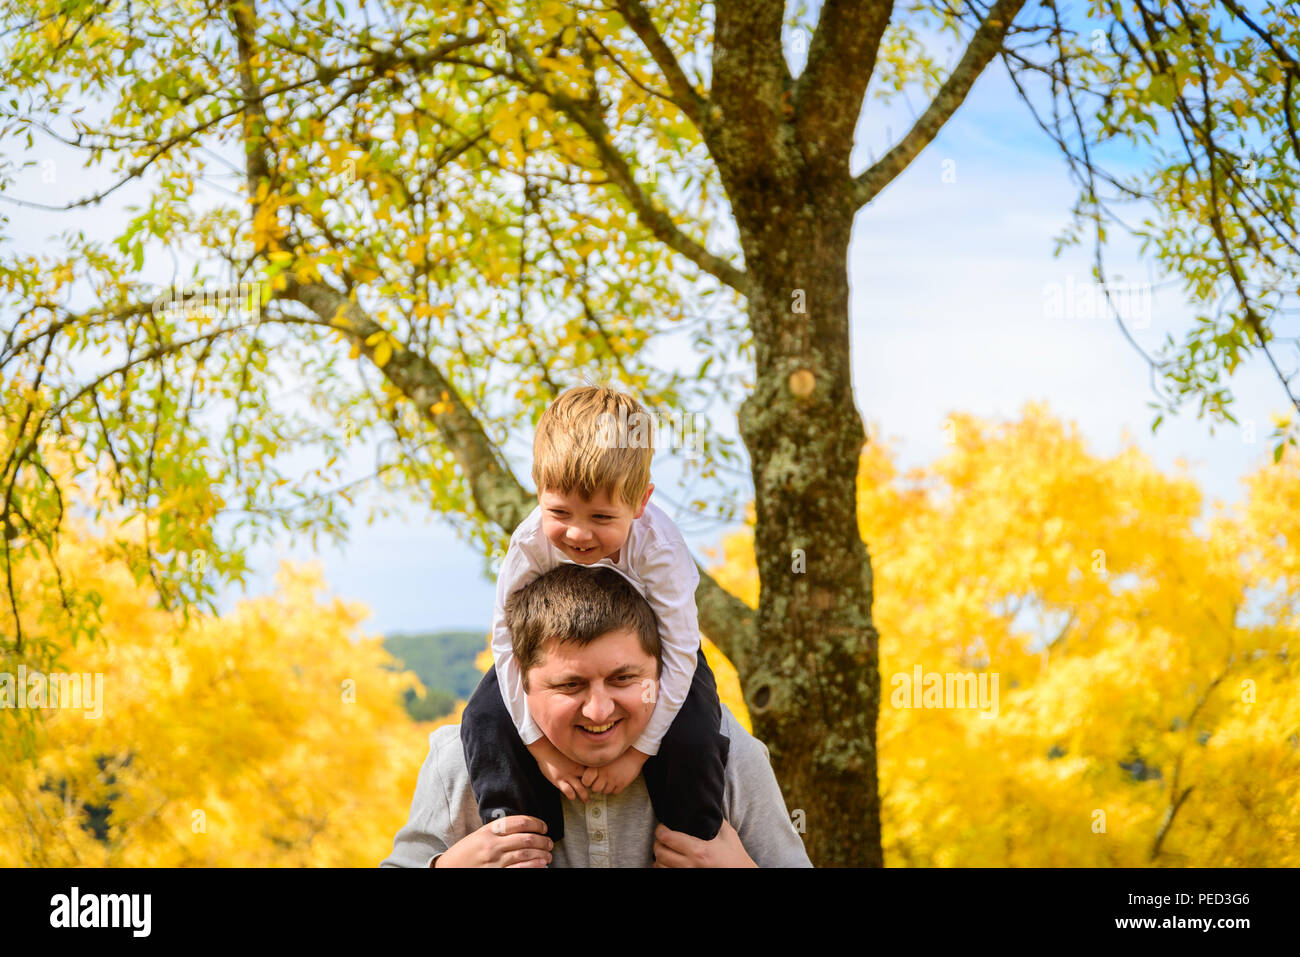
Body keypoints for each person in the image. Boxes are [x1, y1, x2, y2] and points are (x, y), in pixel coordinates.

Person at [380, 564, 811, 867]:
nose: (599, 710)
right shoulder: (457, 761)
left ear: (663, 674)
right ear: (521, 683)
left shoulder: (729, 753)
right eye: (570, 685)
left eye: (624, 679)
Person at [459, 385, 727, 843]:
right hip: (554, 655)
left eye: (602, 518)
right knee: (483, 721)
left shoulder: (660, 549)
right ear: (538, 489)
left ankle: (692, 838)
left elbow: (681, 652)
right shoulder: (529, 544)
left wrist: (638, 753)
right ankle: (523, 839)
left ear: (640, 503)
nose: (578, 534)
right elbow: (506, 643)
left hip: (651, 654)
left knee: (695, 738)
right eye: (560, 511)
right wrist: (542, 749)